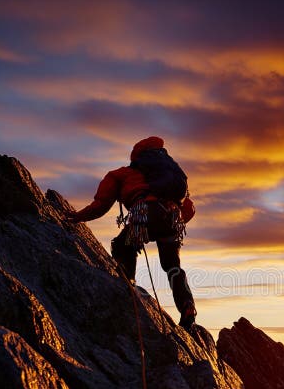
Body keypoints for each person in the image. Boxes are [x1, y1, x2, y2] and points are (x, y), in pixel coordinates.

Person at [66, 136, 197, 329]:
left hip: (144, 213)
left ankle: (129, 287)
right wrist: (170, 221)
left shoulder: (121, 174)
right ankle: (187, 305)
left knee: (122, 246)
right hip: (172, 219)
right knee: (172, 267)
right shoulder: (170, 174)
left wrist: (77, 217)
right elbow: (190, 207)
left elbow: (101, 205)